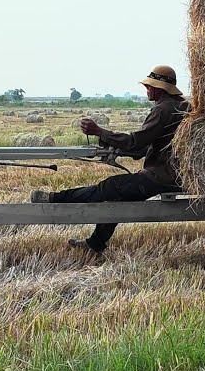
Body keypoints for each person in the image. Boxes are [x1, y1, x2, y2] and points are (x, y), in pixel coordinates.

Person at [30, 65, 189, 254]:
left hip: (160, 177)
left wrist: (100, 131)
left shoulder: (163, 109)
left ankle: (54, 198)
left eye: (149, 86)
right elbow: (152, 146)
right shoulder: (182, 106)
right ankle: (95, 244)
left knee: (108, 187)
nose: (147, 90)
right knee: (118, 196)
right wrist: (115, 146)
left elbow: (136, 142)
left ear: (158, 88)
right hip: (177, 175)